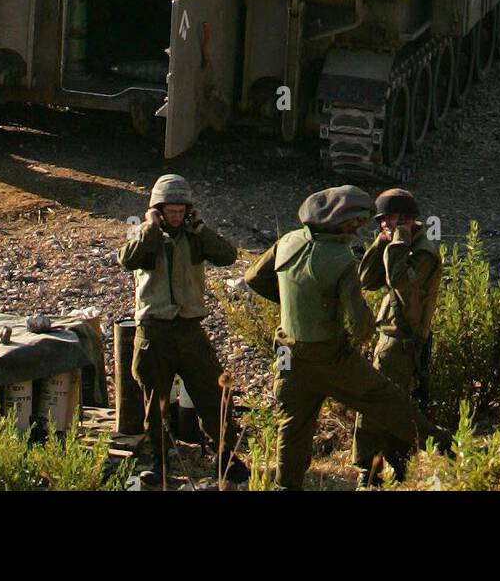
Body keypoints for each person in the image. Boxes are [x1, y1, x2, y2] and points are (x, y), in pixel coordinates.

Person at [244, 185, 434, 490]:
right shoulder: (340, 256)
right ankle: (451, 448)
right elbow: (361, 325)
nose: (356, 229)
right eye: (354, 223)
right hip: (332, 357)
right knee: (387, 401)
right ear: (338, 224)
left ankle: (286, 485)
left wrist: (298, 301)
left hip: (290, 355)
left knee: (292, 426)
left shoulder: (288, 241)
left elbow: (253, 277)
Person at [118, 173, 248, 485]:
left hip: (190, 330)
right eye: (170, 212)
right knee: (155, 402)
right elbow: (128, 259)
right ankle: (160, 461)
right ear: (158, 210)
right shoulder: (144, 235)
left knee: (213, 394)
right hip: (154, 332)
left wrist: (200, 227)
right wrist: (150, 226)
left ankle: (225, 457)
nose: (176, 217)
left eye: (181, 211)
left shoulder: (194, 237)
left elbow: (227, 255)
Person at [351, 187, 442, 486]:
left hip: (401, 340)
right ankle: (379, 465)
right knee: (391, 403)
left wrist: (398, 241)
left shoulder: (424, 250)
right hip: (390, 336)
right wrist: (381, 242)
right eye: (382, 222)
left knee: (379, 403)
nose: (385, 226)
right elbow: (367, 279)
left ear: (406, 220)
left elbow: (400, 280)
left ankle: (379, 465)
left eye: (389, 221)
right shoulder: (396, 245)